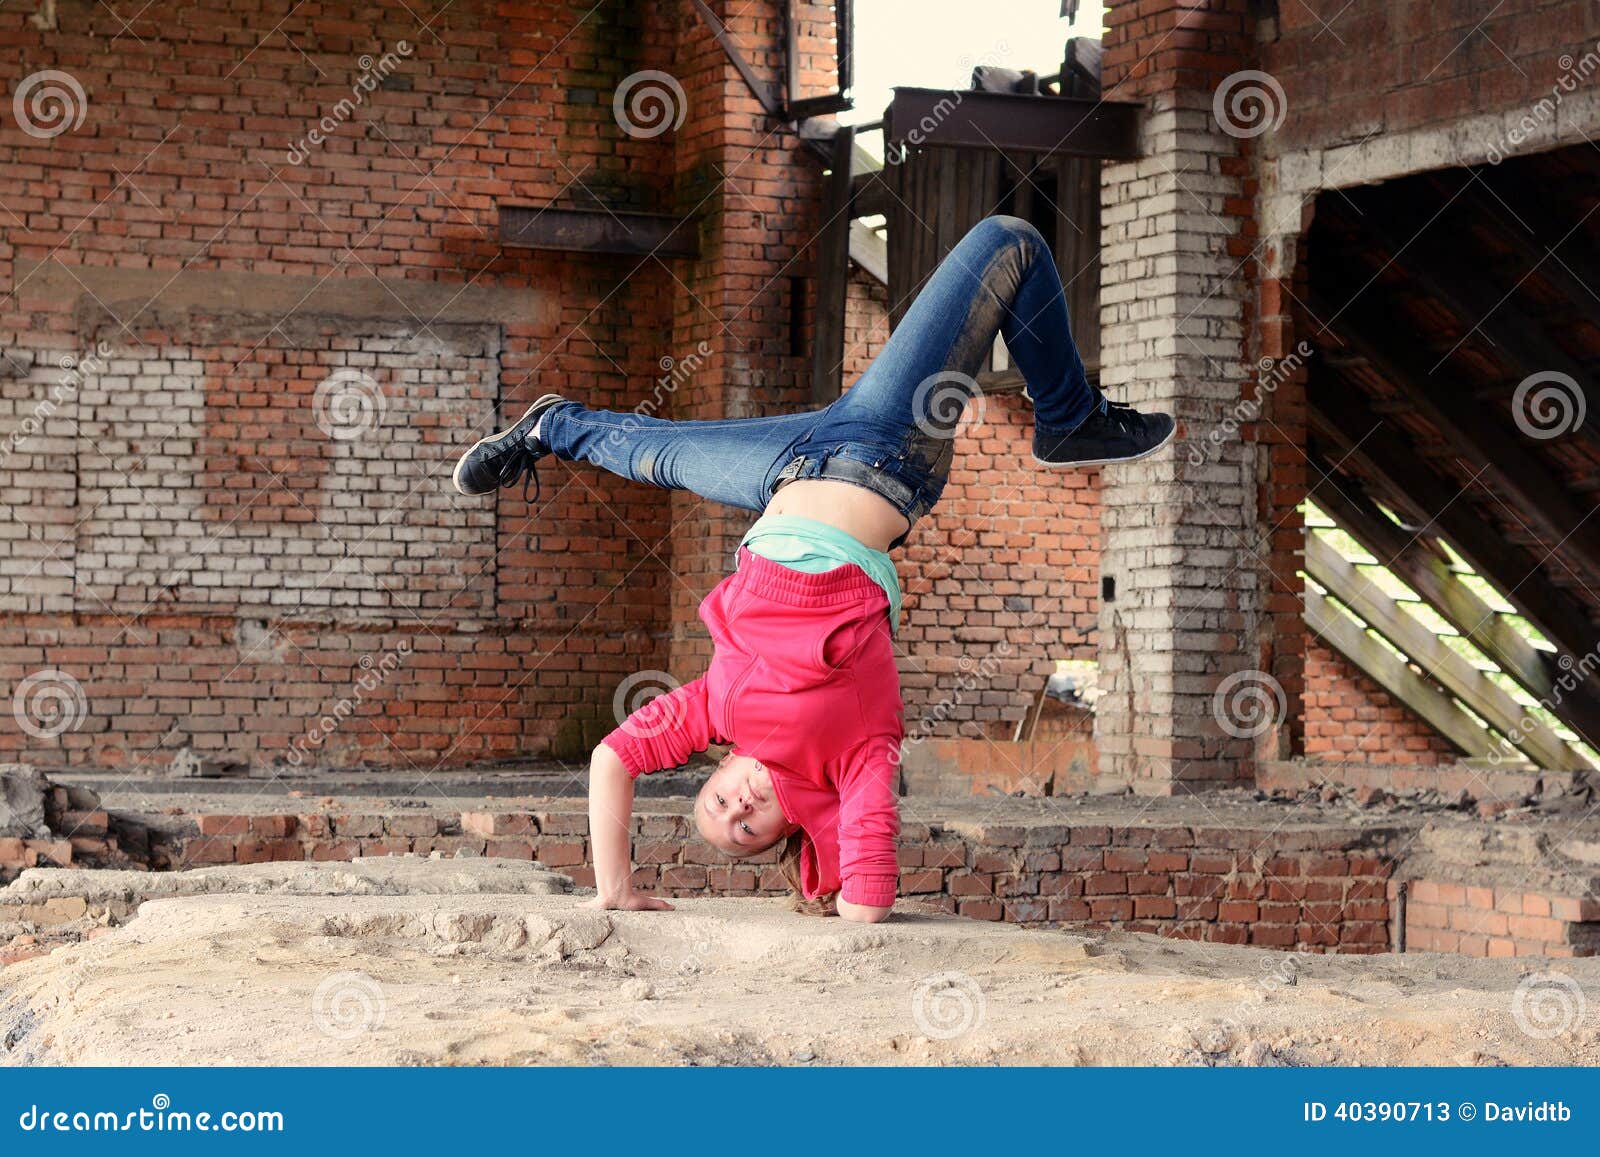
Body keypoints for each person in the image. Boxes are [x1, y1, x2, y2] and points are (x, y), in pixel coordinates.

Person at [452, 215, 1174, 923]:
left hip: (786, 472)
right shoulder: (858, 755)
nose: (734, 808)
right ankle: (1068, 416)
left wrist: (612, 887)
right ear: (786, 828)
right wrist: (834, 883)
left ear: (718, 771)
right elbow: (866, 901)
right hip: (880, 452)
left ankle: (551, 425)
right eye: (744, 830)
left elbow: (614, 758)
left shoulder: (716, 708)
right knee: (1008, 242)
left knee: (654, 452)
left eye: (715, 804)